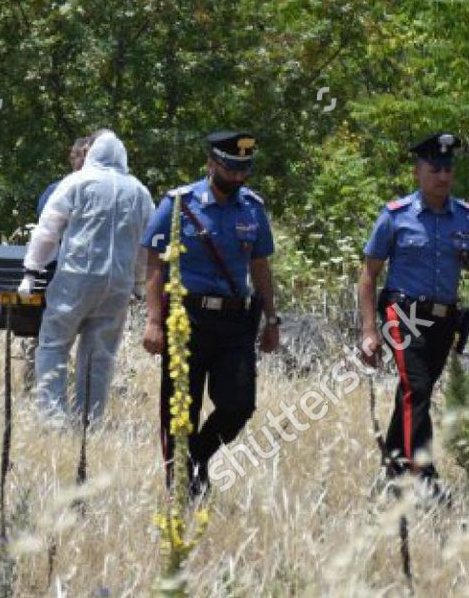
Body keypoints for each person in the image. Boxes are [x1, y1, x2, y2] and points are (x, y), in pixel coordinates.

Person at [357, 132, 469, 493]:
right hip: (403, 314)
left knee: (412, 394)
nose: (442, 177)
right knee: (418, 386)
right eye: (434, 169)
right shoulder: (395, 216)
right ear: (418, 171)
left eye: (447, 169)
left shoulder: (468, 219)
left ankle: (393, 472)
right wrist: (368, 331)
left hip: (444, 320)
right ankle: (422, 476)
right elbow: (368, 277)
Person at [142, 130, 281, 497]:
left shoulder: (252, 207)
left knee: (239, 405)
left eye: (243, 170)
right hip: (186, 318)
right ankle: (181, 489)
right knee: (181, 408)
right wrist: (154, 321)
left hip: (235, 320)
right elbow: (154, 261)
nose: (237, 178)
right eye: (231, 169)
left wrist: (271, 318)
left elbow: (260, 265)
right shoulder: (179, 203)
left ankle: (197, 457)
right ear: (212, 164)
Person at [18, 130, 154, 424]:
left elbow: (48, 230)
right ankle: (89, 422)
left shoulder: (77, 182)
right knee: (100, 356)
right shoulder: (139, 192)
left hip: (75, 280)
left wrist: (32, 270)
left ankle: (53, 420)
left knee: (53, 345)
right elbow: (146, 244)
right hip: (118, 286)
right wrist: (140, 283)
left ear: (92, 152)